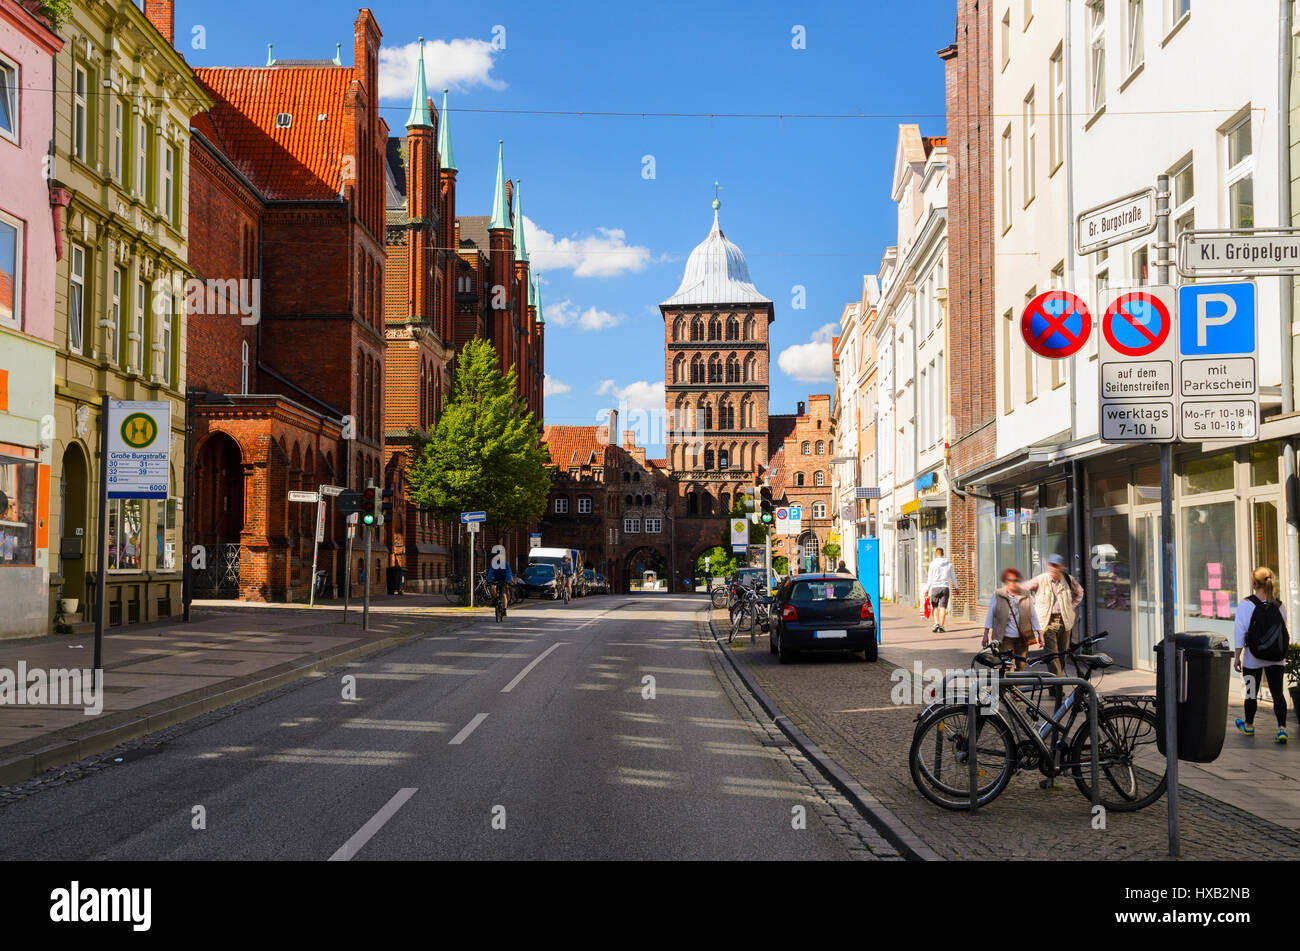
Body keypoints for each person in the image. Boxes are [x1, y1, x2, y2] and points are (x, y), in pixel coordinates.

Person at [1234, 567, 1289, 744]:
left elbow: (1240, 632)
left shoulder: (1246, 604)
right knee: (1278, 693)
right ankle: (1282, 729)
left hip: (1253, 657)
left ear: (1254, 583)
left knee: (1250, 692)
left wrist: (1237, 657)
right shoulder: (1279, 605)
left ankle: (1249, 725)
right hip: (1276, 657)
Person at [1025, 554, 1085, 698]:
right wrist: (1033, 602)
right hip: (1047, 623)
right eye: (1051, 565)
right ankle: (1058, 689)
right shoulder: (1041, 579)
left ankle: (1053, 687)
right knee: (1053, 657)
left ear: (1061, 567)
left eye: (1056, 566)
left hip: (1065, 622)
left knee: (1062, 656)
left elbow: (1080, 593)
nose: (1053, 568)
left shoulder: (1068, 579)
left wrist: (1071, 606)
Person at [981, 568, 1040, 671]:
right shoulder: (998, 595)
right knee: (1008, 666)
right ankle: (1008, 687)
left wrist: (1040, 633)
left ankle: (1017, 687)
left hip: (1023, 637)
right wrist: (985, 634)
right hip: (1004, 638)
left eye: (1016, 580)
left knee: (1021, 666)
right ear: (1005, 581)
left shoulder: (1026, 594)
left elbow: (1033, 615)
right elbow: (990, 614)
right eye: (1010, 580)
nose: (1013, 583)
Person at [923, 547, 959, 632]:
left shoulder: (932, 564)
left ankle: (936, 624)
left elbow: (930, 578)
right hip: (945, 588)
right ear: (943, 554)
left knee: (935, 607)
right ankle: (942, 627)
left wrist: (926, 590)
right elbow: (953, 577)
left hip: (935, 587)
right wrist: (956, 587)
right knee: (943, 607)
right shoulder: (949, 564)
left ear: (936, 554)